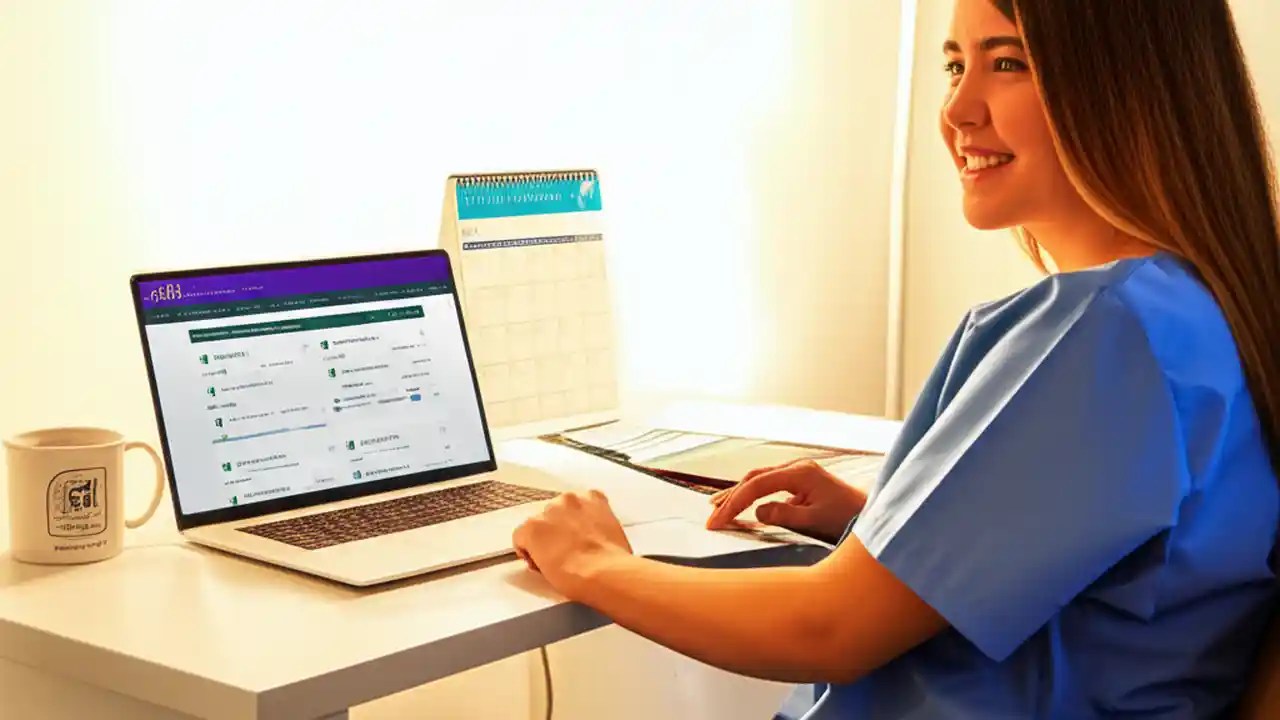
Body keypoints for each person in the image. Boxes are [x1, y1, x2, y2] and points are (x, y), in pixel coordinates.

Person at [511, 0, 1280, 716]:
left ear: (1127, 87)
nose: (956, 110)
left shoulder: (1102, 331)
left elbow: (824, 630)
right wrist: (896, 525)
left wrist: (593, 563)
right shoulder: (1198, 307)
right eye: (955, 65)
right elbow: (1122, 563)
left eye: (1007, 63)